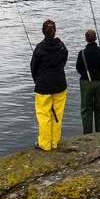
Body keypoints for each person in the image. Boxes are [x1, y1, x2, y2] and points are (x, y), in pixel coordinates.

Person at [30, 19, 68, 151]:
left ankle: (45, 144)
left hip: (43, 86)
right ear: (55, 31)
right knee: (57, 114)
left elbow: (33, 68)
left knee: (44, 115)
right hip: (59, 84)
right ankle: (54, 142)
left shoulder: (39, 48)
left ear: (43, 32)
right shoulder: (62, 46)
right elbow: (64, 61)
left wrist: (38, 80)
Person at [75, 29, 100, 134]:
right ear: (96, 38)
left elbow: (78, 68)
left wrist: (85, 75)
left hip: (86, 83)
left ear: (86, 39)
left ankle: (87, 135)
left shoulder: (82, 53)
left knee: (86, 111)